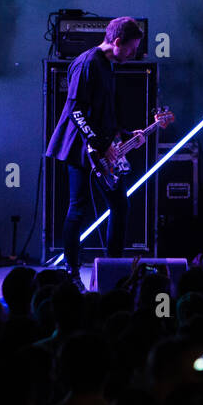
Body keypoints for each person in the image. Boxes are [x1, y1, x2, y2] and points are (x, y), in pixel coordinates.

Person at [45, 16, 146, 290]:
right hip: (80, 147)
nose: (133, 54)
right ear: (116, 42)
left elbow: (102, 114)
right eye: (131, 48)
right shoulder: (88, 63)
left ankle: (113, 269)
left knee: (118, 206)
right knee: (78, 209)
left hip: (98, 146)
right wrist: (102, 146)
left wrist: (125, 136)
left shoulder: (107, 66)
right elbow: (76, 112)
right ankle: (72, 272)